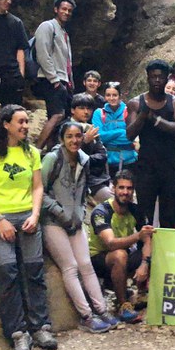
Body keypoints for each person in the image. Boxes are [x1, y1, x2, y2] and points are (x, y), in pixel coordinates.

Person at [0, 105, 56, 350]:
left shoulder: (31, 153)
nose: (25, 126)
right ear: (6, 124)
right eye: (20, 122)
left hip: (27, 217)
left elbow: (38, 187)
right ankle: (18, 333)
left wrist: (35, 215)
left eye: (27, 122)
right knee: (7, 273)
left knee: (34, 271)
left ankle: (41, 327)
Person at [40, 122, 118, 333]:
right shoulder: (52, 159)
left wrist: (81, 212)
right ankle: (86, 315)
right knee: (70, 267)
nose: (74, 140)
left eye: (77, 136)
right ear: (62, 139)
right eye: (69, 136)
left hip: (75, 220)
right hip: (53, 222)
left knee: (86, 264)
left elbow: (83, 191)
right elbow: (39, 191)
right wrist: (60, 212)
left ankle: (101, 310)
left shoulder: (84, 159)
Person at [126, 59, 175, 229]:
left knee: (169, 218)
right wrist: (142, 116)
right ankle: (143, 246)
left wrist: (156, 120)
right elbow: (130, 134)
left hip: (169, 168)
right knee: (144, 217)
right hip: (146, 168)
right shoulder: (136, 103)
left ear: (167, 78)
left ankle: (168, 246)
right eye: (153, 77)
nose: (157, 80)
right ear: (148, 78)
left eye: (161, 77)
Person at [88, 170, 152, 324]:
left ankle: (142, 293)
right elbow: (110, 243)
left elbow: (148, 239)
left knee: (154, 247)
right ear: (113, 189)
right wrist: (137, 236)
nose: (125, 192)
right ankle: (123, 305)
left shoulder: (135, 210)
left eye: (129, 188)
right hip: (100, 258)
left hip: (125, 253)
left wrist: (144, 264)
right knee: (119, 254)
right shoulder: (101, 212)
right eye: (121, 188)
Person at [33, 0, 76, 149]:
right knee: (58, 115)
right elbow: (43, 54)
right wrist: (54, 79)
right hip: (50, 79)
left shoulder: (64, 33)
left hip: (63, 80)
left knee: (61, 118)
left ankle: (51, 150)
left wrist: (70, 82)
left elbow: (66, 61)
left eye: (69, 10)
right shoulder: (47, 26)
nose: (66, 12)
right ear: (56, 9)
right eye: (64, 9)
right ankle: (37, 150)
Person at [62, 93, 110, 203]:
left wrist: (86, 159)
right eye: (82, 108)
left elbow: (102, 155)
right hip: (70, 181)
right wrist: (85, 142)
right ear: (73, 110)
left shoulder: (90, 128)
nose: (86, 112)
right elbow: (65, 156)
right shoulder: (64, 128)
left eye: (89, 108)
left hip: (95, 179)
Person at [92, 81, 137, 178]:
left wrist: (108, 138)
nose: (111, 98)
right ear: (104, 96)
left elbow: (131, 137)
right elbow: (99, 137)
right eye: (108, 95)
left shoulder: (129, 111)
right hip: (107, 161)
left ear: (120, 96)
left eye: (114, 95)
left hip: (128, 161)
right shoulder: (99, 113)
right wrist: (121, 132)